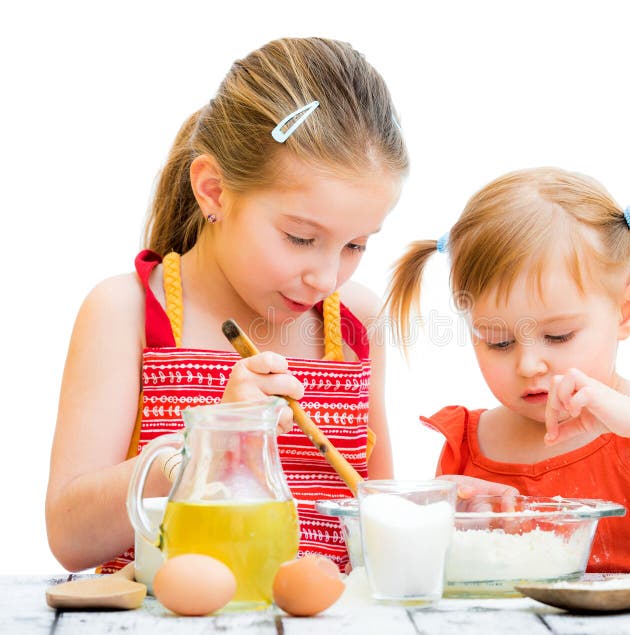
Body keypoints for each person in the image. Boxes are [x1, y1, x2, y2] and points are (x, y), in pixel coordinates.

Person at [47, 37, 408, 574]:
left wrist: (441, 513)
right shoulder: (126, 313)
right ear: (214, 191)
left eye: (356, 245)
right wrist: (211, 443)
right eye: (300, 238)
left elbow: (379, 524)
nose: (326, 277)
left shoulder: (356, 320)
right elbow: (70, 538)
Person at [385, 167, 630, 573]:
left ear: (626, 311)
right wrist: (438, 513)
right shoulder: (467, 445)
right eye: (498, 341)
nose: (528, 365)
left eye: (558, 336)